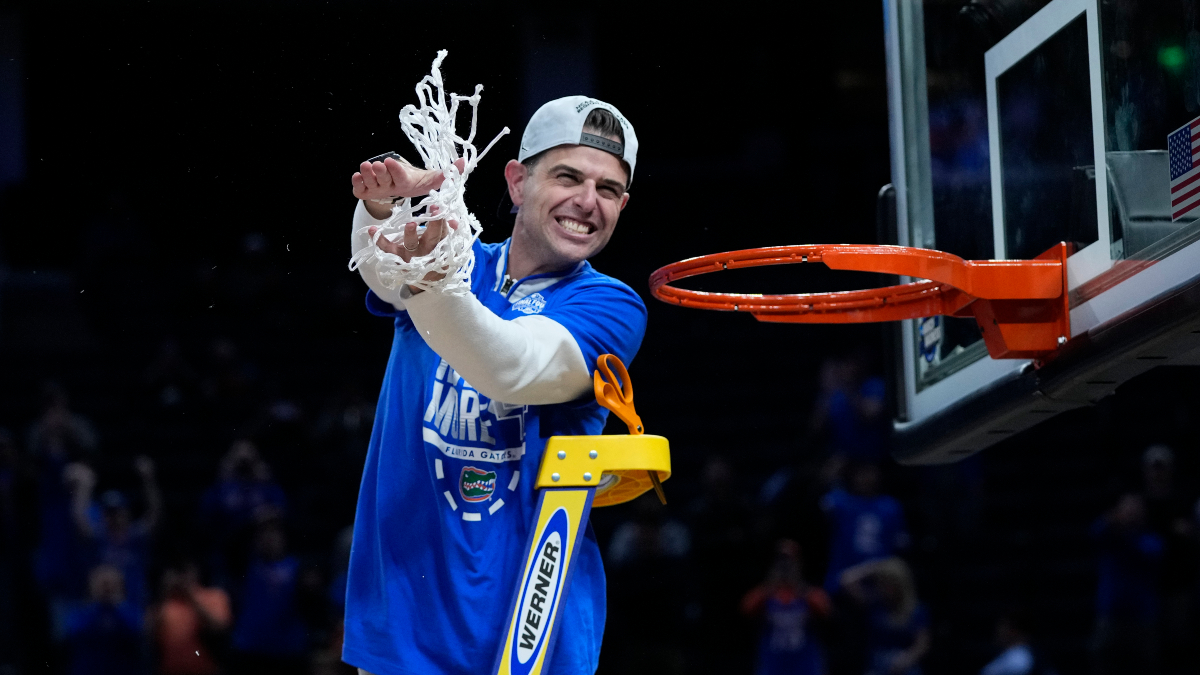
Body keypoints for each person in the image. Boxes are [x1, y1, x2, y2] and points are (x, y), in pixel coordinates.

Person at [342, 95, 644, 675]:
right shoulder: (458, 261)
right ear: (516, 181)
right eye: (568, 177)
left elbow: (511, 365)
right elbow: (383, 274)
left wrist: (432, 285)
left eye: (608, 190)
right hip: (406, 623)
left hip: (533, 632)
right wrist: (382, 208)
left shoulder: (612, 305)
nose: (587, 202)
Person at [742, 540, 831, 675]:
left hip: (804, 665)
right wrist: (771, 583)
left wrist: (799, 585)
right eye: (781, 562)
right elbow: (747, 608)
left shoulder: (808, 594)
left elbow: (825, 610)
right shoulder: (767, 594)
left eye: (790, 562)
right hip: (773, 665)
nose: (785, 567)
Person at [821, 461, 910, 593]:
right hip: (840, 580)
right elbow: (819, 502)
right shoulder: (841, 501)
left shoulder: (890, 506)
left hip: (881, 581)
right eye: (861, 473)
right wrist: (832, 475)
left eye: (870, 472)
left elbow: (898, 548)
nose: (865, 478)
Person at [840, 557, 930, 675]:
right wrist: (876, 567)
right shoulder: (875, 605)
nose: (886, 588)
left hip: (904, 668)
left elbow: (922, 643)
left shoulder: (916, 610)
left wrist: (906, 659)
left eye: (890, 583)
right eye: (882, 582)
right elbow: (847, 580)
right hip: (876, 668)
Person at [153, 561, 232, 675]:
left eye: (185, 572)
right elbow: (149, 633)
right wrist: (164, 594)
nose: (182, 577)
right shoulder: (167, 603)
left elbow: (220, 628)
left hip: (206, 668)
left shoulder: (214, 597)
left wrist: (192, 598)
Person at [63, 564, 144, 675]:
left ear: (120, 585)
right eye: (102, 583)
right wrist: (97, 606)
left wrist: (117, 605)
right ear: (92, 585)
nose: (106, 588)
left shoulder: (129, 611)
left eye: (111, 583)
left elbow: (137, 630)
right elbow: (74, 632)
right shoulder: (80, 612)